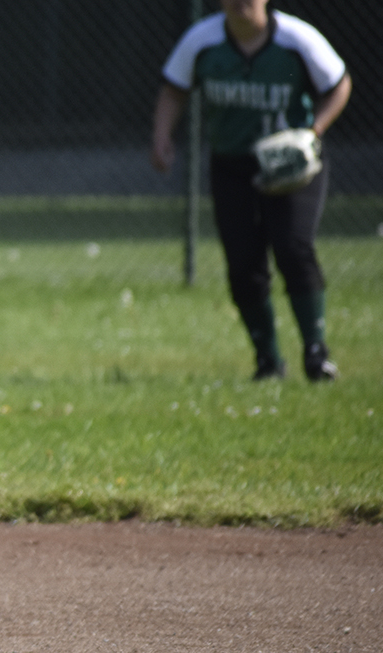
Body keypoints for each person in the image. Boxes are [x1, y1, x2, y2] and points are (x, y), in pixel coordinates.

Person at [151, 0, 352, 381]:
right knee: (243, 262)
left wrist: (314, 131)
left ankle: (316, 353)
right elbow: (174, 89)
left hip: (292, 163)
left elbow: (339, 84)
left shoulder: (296, 39)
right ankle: (268, 361)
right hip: (233, 166)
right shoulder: (202, 40)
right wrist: (161, 135)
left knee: (293, 248)